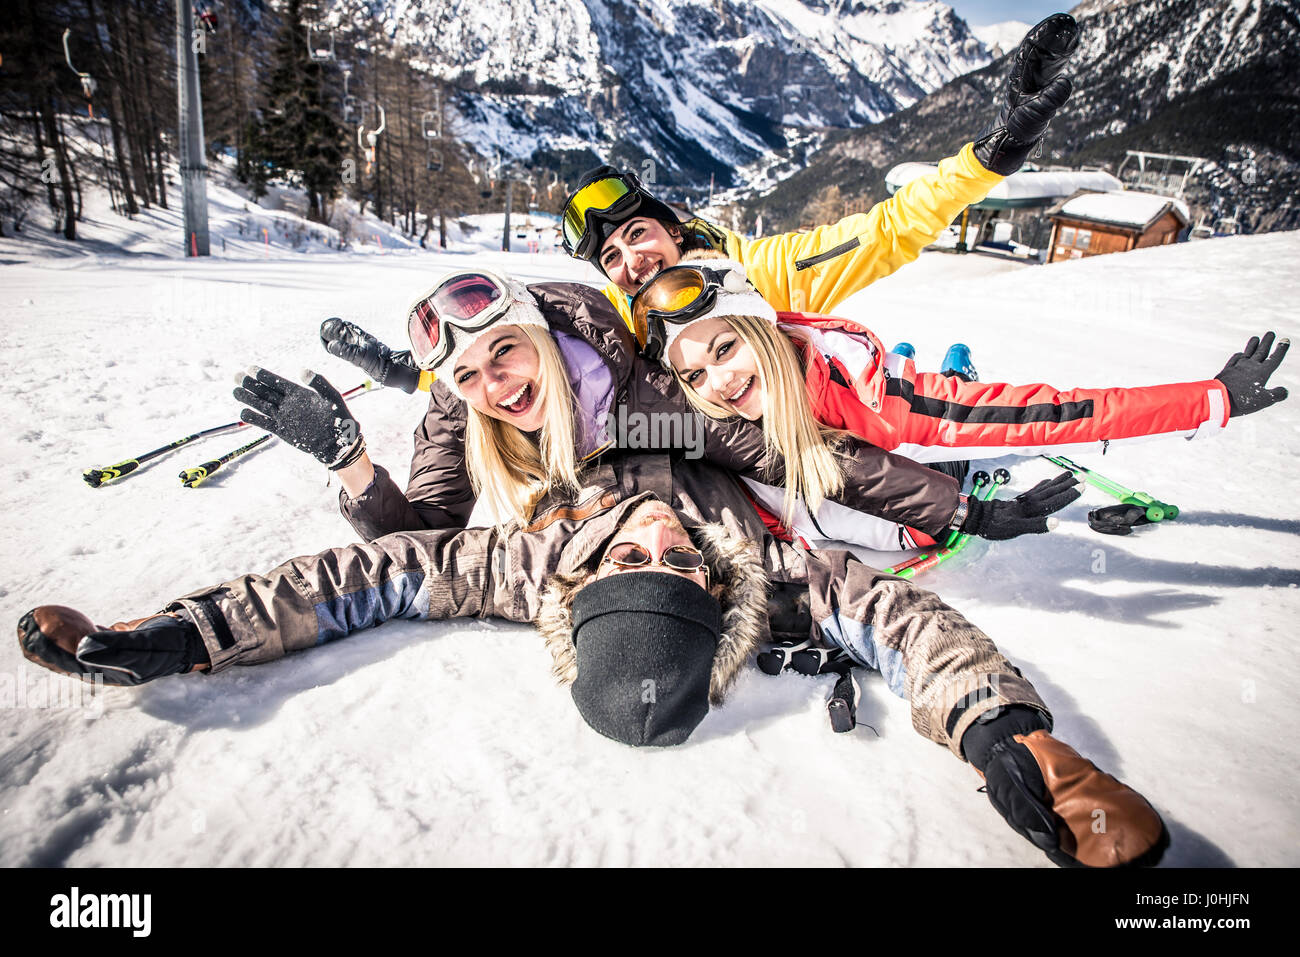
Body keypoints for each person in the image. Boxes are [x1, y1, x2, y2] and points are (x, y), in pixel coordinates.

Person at [17, 446, 1163, 868]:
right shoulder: (763, 577)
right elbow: (912, 631)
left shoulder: (536, 563)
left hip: (594, 431)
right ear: (716, 591)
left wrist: (176, 634)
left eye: (640, 552)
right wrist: (1009, 737)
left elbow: (359, 579)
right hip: (716, 435)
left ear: (579, 579)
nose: (659, 536)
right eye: (674, 556)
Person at [304, 270, 1080, 551]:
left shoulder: (640, 407)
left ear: (533, 330)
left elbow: (784, 455)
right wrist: (355, 468)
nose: (497, 387)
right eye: (469, 374)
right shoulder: (457, 407)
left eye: (504, 352)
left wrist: (956, 510)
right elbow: (425, 540)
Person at [636, 255, 1290, 541]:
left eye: (725, 349)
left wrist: (1209, 400)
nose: (718, 383)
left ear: (761, 328)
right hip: (863, 390)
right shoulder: (713, 410)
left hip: (909, 400)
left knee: (948, 387)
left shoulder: (886, 405)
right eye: (695, 374)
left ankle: (954, 362)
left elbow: (1053, 413)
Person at [562, 14, 1081, 328]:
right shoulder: (611, 322)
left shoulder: (760, 275)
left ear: (672, 227)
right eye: (611, 256)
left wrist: (988, 161)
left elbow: (883, 233)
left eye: (637, 233)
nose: (633, 260)